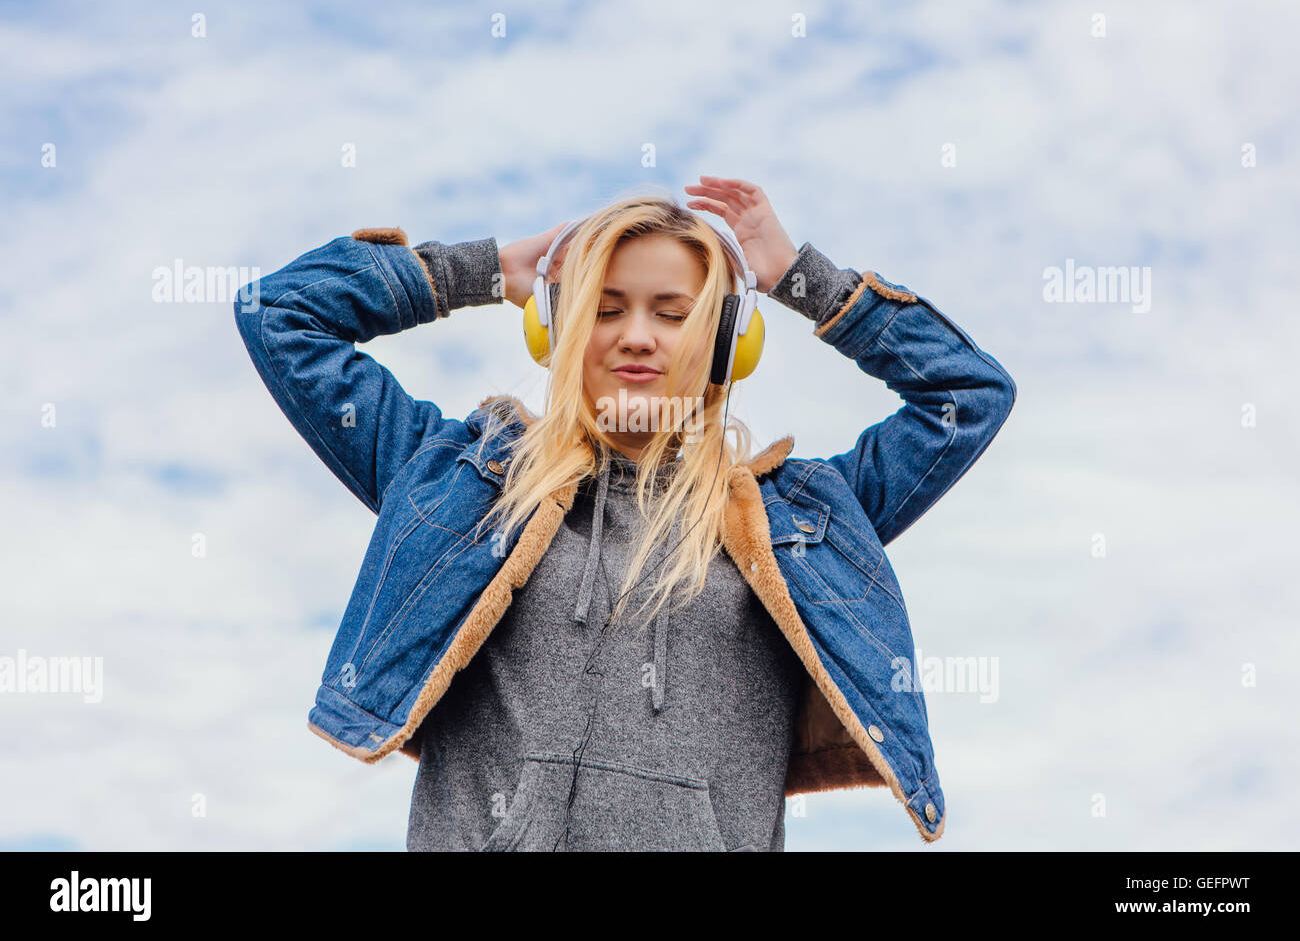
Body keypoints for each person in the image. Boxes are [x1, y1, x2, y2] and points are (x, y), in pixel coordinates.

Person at [233, 176, 1017, 851]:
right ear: (558, 328)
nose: (637, 336)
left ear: (723, 345)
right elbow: (279, 313)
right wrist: (487, 269)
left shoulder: (796, 526)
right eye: (605, 309)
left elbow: (966, 396)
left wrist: (797, 279)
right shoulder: (457, 484)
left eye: (672, 313)